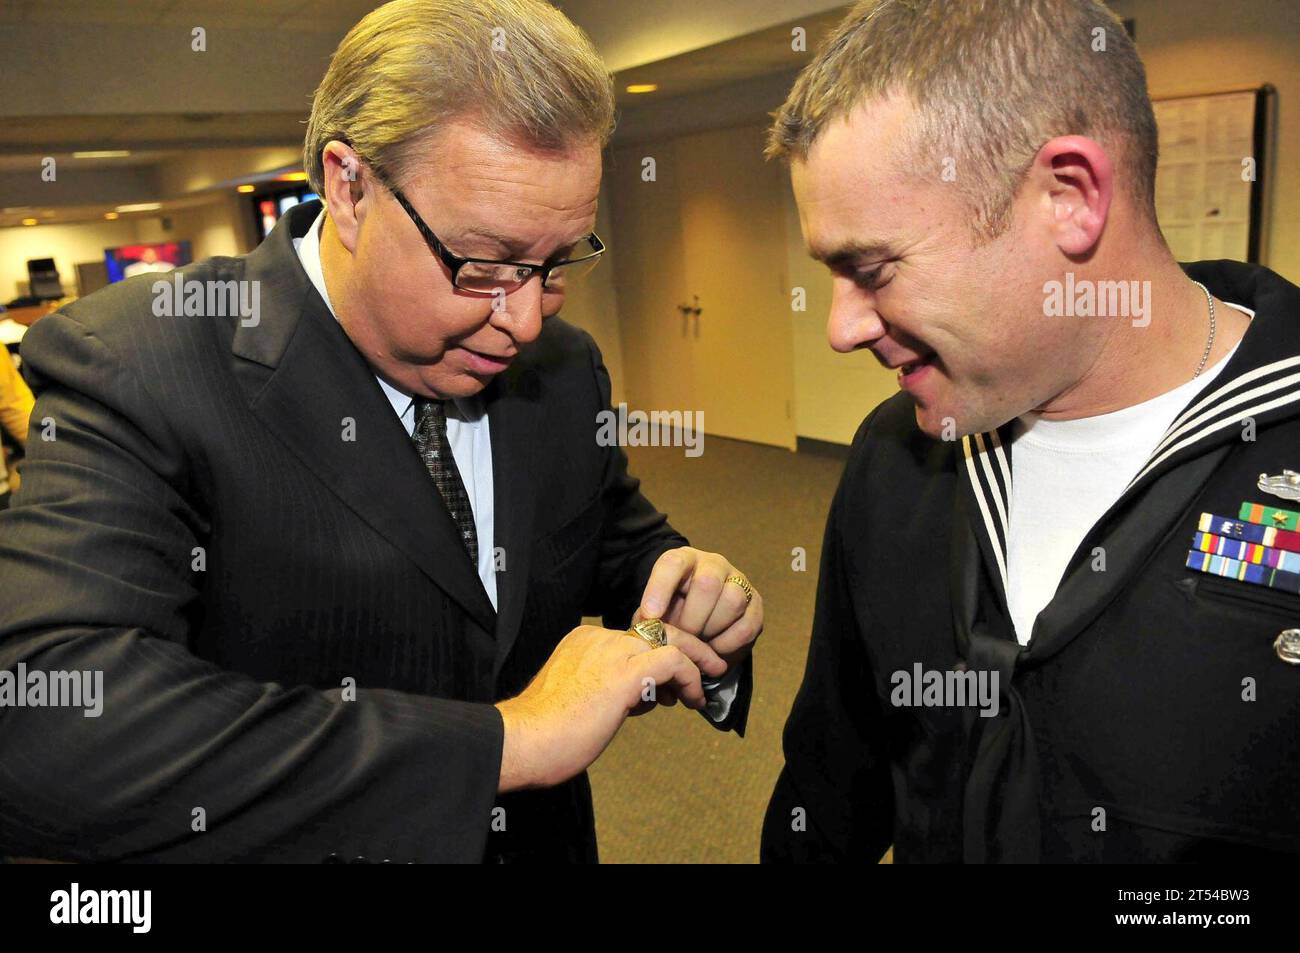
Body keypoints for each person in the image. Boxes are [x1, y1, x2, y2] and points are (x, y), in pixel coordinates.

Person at [0, 0, 761, 863]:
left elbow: (607, 542)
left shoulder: (563, 370)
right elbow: (43, 720)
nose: (522, 320)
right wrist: (504, 743)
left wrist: (683, 584)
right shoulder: (141, 362)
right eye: (481, 264)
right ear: (349, 187)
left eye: (554, 266)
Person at [761, 0, 1300, 862]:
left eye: (872, 270)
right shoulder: (894, 460)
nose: (840, 327)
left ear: (1069, 197)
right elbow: (833, 790)